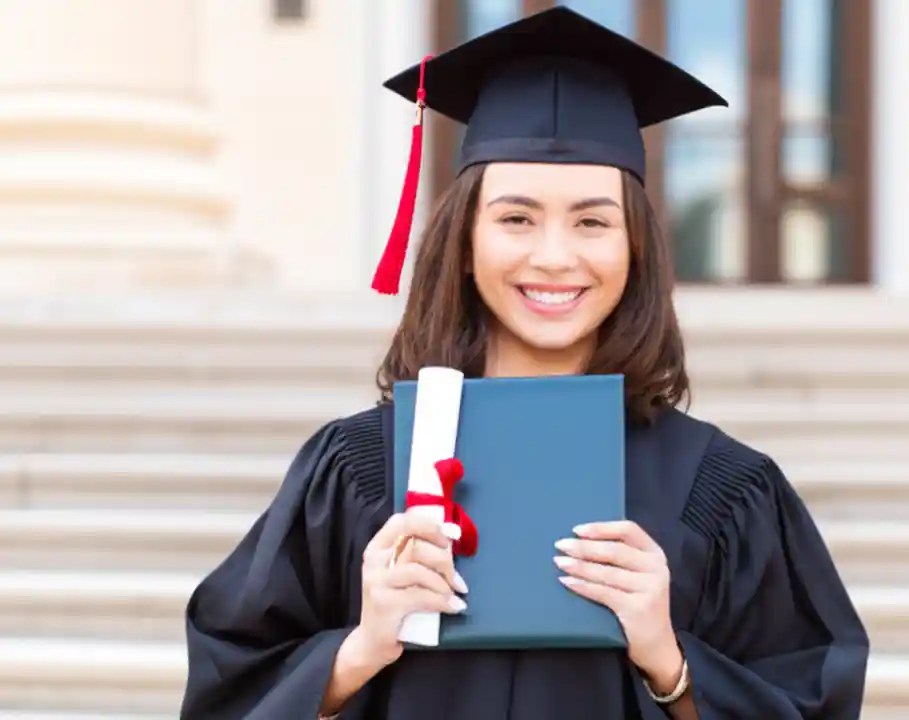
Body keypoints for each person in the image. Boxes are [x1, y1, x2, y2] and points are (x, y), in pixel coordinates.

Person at [180, 7, 869, 719]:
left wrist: (670, 659)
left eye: (592, 221)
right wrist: (359, 649)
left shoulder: (720, 491)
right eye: (516, 218)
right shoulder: (358, 470)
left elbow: (812, 701)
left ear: (636, 248)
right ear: (465, 243)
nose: (553, 256)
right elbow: (229, 690)